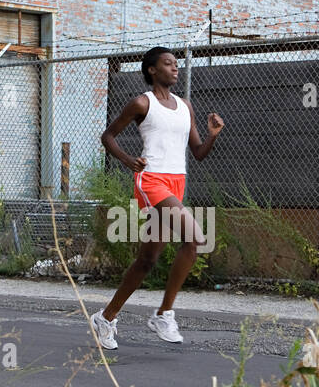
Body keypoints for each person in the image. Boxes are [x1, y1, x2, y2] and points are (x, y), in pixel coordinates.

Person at [90, 46, 224, 347]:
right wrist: (127, 160)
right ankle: (164, 313)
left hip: (176, 182)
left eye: (176, 64)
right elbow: (108, 136)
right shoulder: (142, 103)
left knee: (147, 260)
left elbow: (199, 154)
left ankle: (106, 317)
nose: (175, 68)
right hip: (151, 181)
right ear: (152, 70)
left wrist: (213, 134)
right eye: (168, 64)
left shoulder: (185, 106)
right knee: (194, 238)